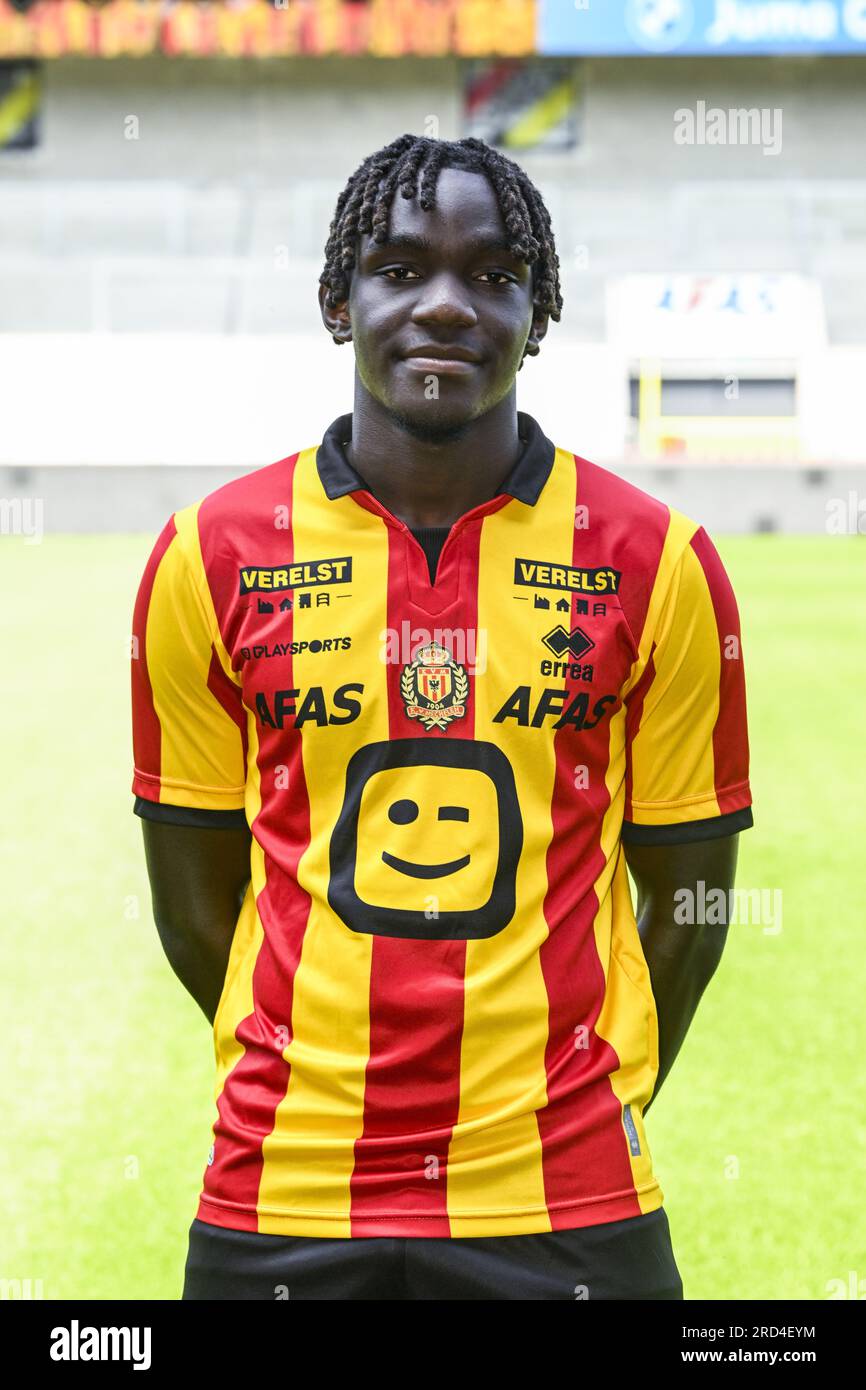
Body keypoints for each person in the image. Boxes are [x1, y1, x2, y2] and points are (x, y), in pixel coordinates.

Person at [130, 133, 753, 1301]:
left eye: (495, 275)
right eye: (401, 267)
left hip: (565, 1195)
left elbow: (688, 901)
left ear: (540, 311)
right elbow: (195, 906)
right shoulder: (208, 556)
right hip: (284, 1185)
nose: (447, 306)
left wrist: (574, 1091)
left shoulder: (656, 561)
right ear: (335, 302)